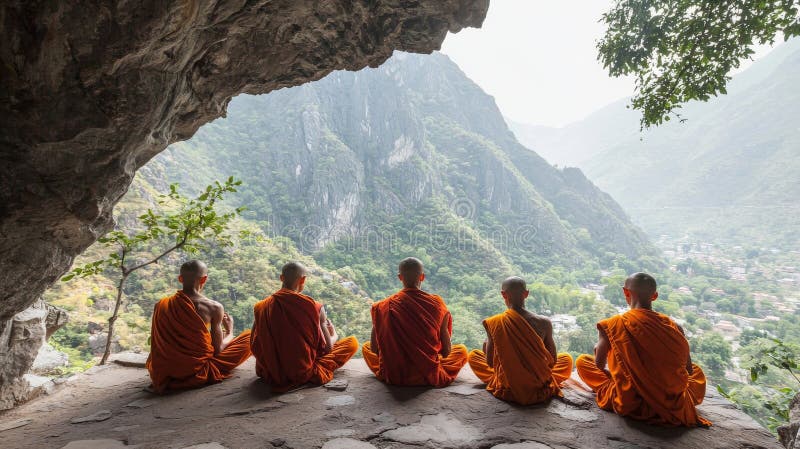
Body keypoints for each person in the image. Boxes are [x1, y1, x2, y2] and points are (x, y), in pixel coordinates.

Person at [576, 272, 710, 426]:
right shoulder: (674, 327)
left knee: (582, 362)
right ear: (655, 296)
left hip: (630, 401)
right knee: (698, 371)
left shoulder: (612, 325)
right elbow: (689, 370)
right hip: (671, 401)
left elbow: (599, 365)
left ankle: (625, 387)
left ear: (626, 292)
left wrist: (615, 375)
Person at [250, 261, 358, 392]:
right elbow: (327, 349)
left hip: (269, 371)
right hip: (302, 371)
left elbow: (254, 345)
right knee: (352, 343)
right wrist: (334, 335)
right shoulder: (314, 306)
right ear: (303, 280)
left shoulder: (260, 306)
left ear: (281, 278)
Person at [146, 260, 251, 393]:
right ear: (204, 279)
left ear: (180, 279)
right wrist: (230, 331)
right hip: (196, 370)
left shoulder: (161, 304)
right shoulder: (213, 307)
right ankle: (193, 375)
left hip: (163, 370)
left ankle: (174, 376)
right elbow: (218, 350)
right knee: (250, 337)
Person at [362, 257, 467, 387]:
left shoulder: (382, 307)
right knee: (461, 351)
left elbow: (374, 349)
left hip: (394, 375)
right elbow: (446, 351)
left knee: (365, 347)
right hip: (427, 375)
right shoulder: (437, 304)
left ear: (400, 277)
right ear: (422, 277)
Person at [468, 276, 573, 404]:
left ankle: (511, 384)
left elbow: (490, 363)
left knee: (474, 356)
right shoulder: (544, 322)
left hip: (508, 387)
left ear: (503, 295)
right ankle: (535, 383)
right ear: (526, 294)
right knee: (566, 359)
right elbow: (553, 360)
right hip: (538, 385)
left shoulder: (495, 323)